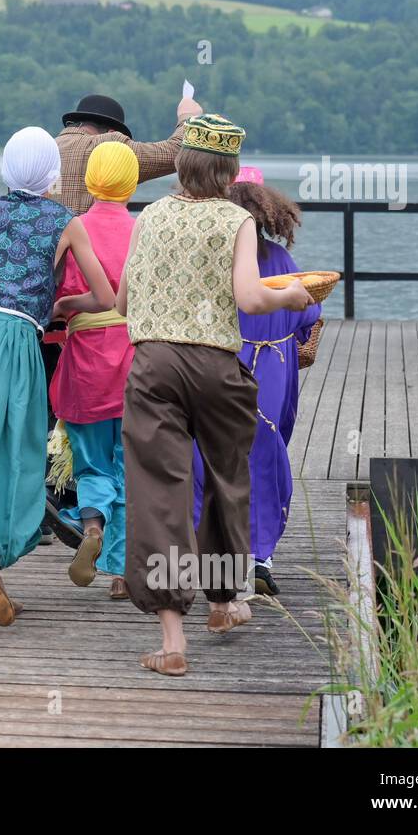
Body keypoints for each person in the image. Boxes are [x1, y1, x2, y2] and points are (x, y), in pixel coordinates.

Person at [115, 115, 313, 676]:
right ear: (228, 174)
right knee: (229, 479)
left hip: (153, 365)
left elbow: (126, 303)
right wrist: (293, 297)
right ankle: (225, 603)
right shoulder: (236, 220)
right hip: (217, 367)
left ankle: (173, 640)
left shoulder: (149, 216)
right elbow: (251, 299)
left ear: (181, 165)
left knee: (161, 492)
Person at [0, 127, 114, 627]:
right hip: (14, 337)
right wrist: (61, 304)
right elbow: (104, 296)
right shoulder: (66, 221)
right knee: (15, 446)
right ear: (52, 173)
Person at [192, 168, 323, 596]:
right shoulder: (281, 262)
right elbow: (310, 316)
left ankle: (213, 551)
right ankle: (261, 556)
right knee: (266, 453)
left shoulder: (214, 261)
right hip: (275, 368)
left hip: (224, 364)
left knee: (209, 455)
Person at [47, 143, 140, 599]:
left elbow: (51, 290)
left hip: (85, 356)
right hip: (133, 358)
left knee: (90, 462)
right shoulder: (143, 229)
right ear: (133, 183)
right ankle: (122, 571)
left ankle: (91, 527)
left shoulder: (74, 227)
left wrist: (64, 307)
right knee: (130, 463)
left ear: (88, 181)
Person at [51, 93, 203, 216]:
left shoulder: (49, 148)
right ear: (112, 131)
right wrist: (188, 117)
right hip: (96, 250)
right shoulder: (111, 146)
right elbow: (175, 152)